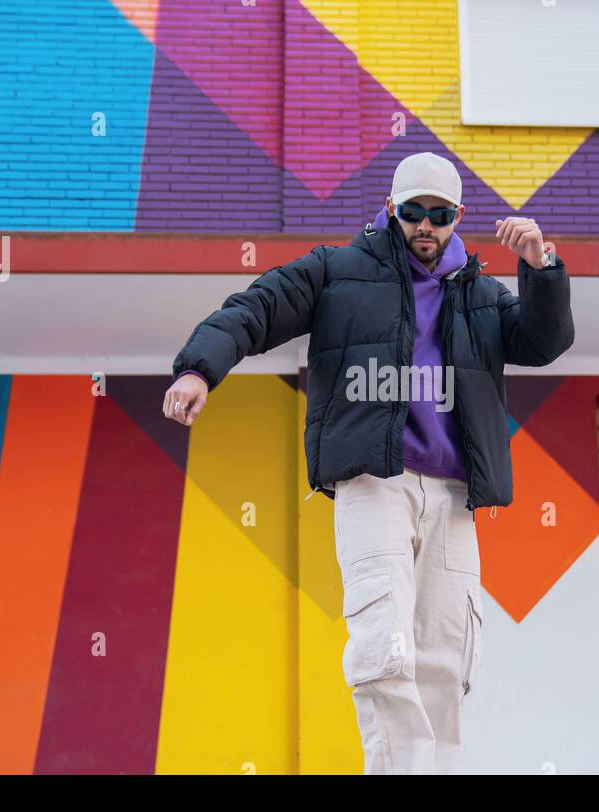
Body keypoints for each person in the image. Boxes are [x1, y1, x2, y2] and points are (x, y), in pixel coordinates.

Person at [163, 151, 574, 774]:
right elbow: (257, 309)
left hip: (455, 496)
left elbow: (544, 343)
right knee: (386, 644)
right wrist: (199, 369)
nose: (425, 227)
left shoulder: (481, 293)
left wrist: (541, 266)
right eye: (413, 213)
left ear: (458, 217)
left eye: (439, 215)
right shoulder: (338, 271)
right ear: (391, 209)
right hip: (373, 483)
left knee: (446, 657)